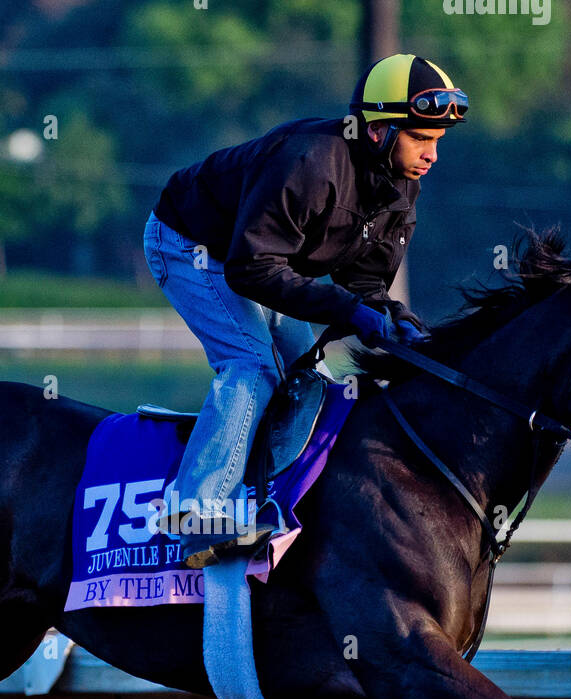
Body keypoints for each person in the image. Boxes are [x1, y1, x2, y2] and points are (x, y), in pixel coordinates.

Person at [144, 53, 468, 568]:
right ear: (379, 131)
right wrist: (350, 310)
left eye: (437, 141)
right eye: (421, 138)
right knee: (251, 367)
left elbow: (362, 280)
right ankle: (195, 515)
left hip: (258, 259)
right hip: (193, 246)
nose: (431, 155)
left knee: (308, 377)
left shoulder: (403, 186)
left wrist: (389, 314)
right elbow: (249, 271)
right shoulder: (310, 162)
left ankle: (263, 498)